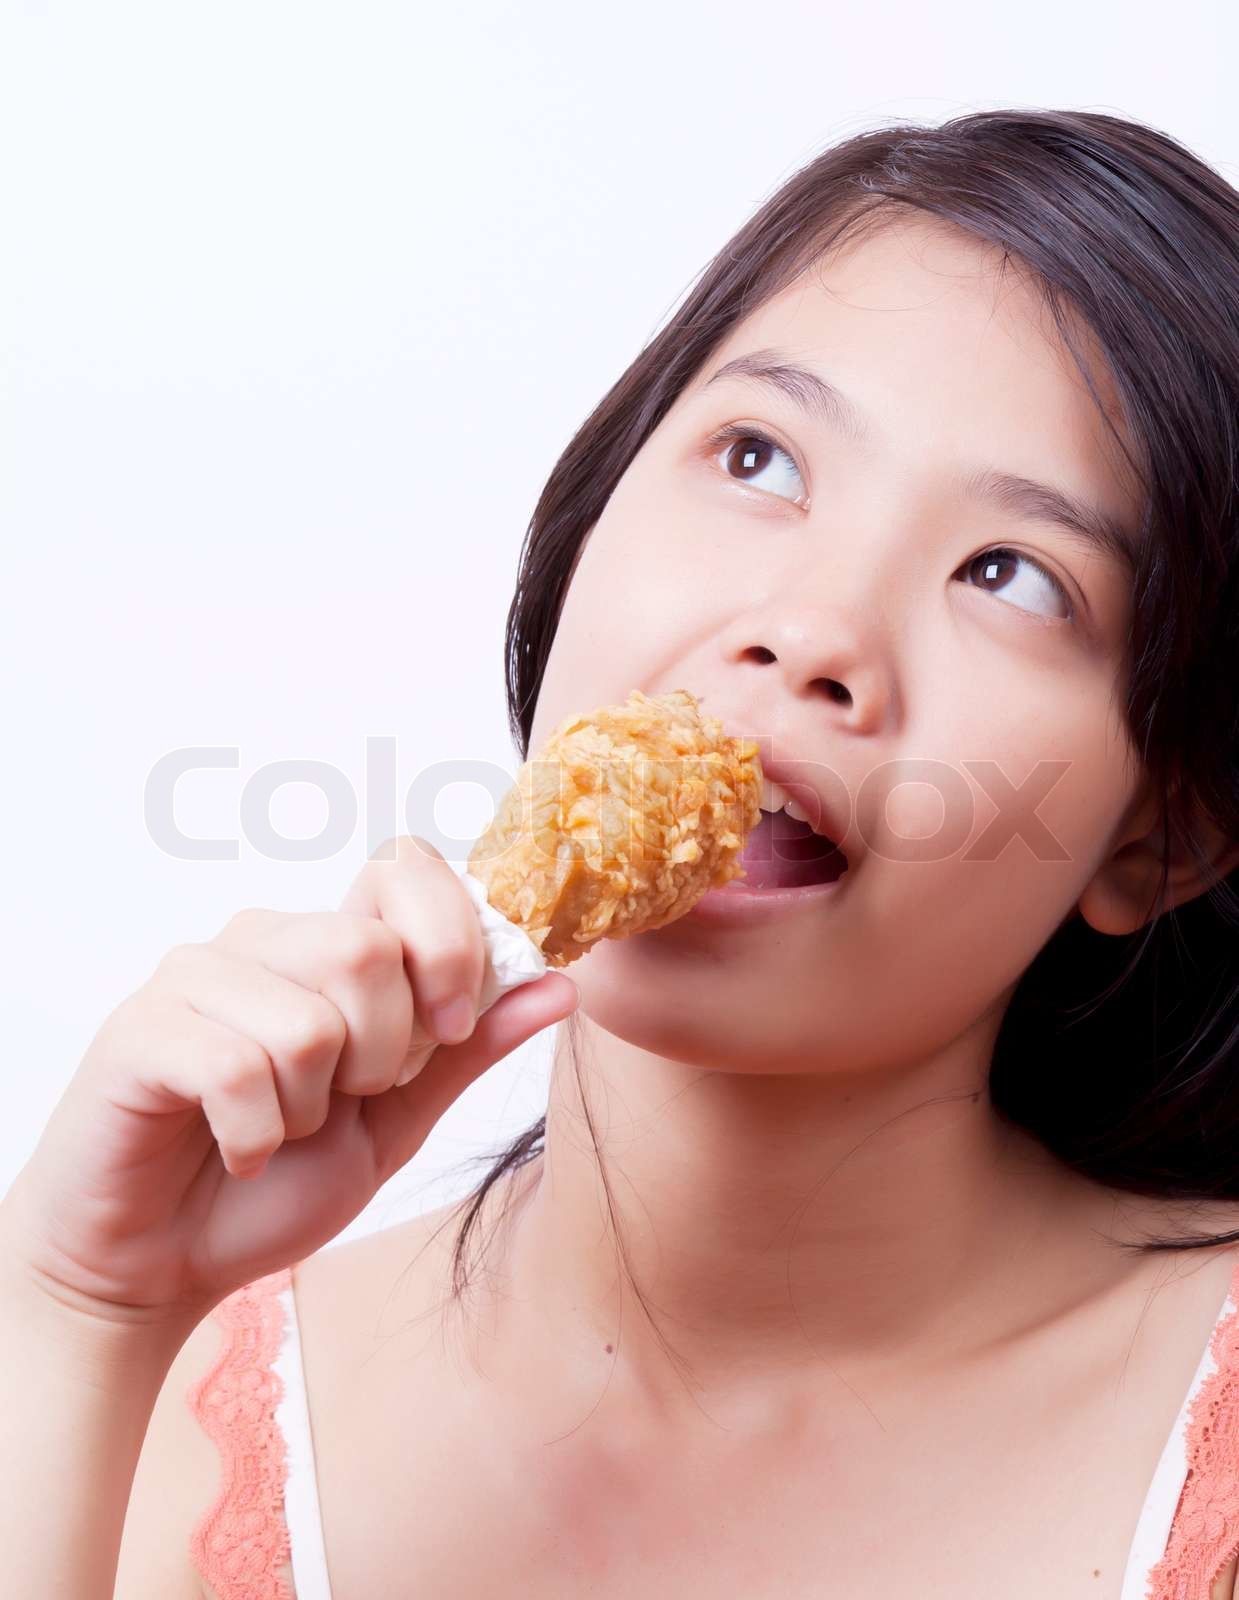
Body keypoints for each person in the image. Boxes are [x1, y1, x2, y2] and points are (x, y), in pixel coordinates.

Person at [4, 106, 1239, 1600]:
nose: (815, 627)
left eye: (1011, 573)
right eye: (759, 457)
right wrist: (78, 1309)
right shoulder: (164, 1427)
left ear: (1160, 835)